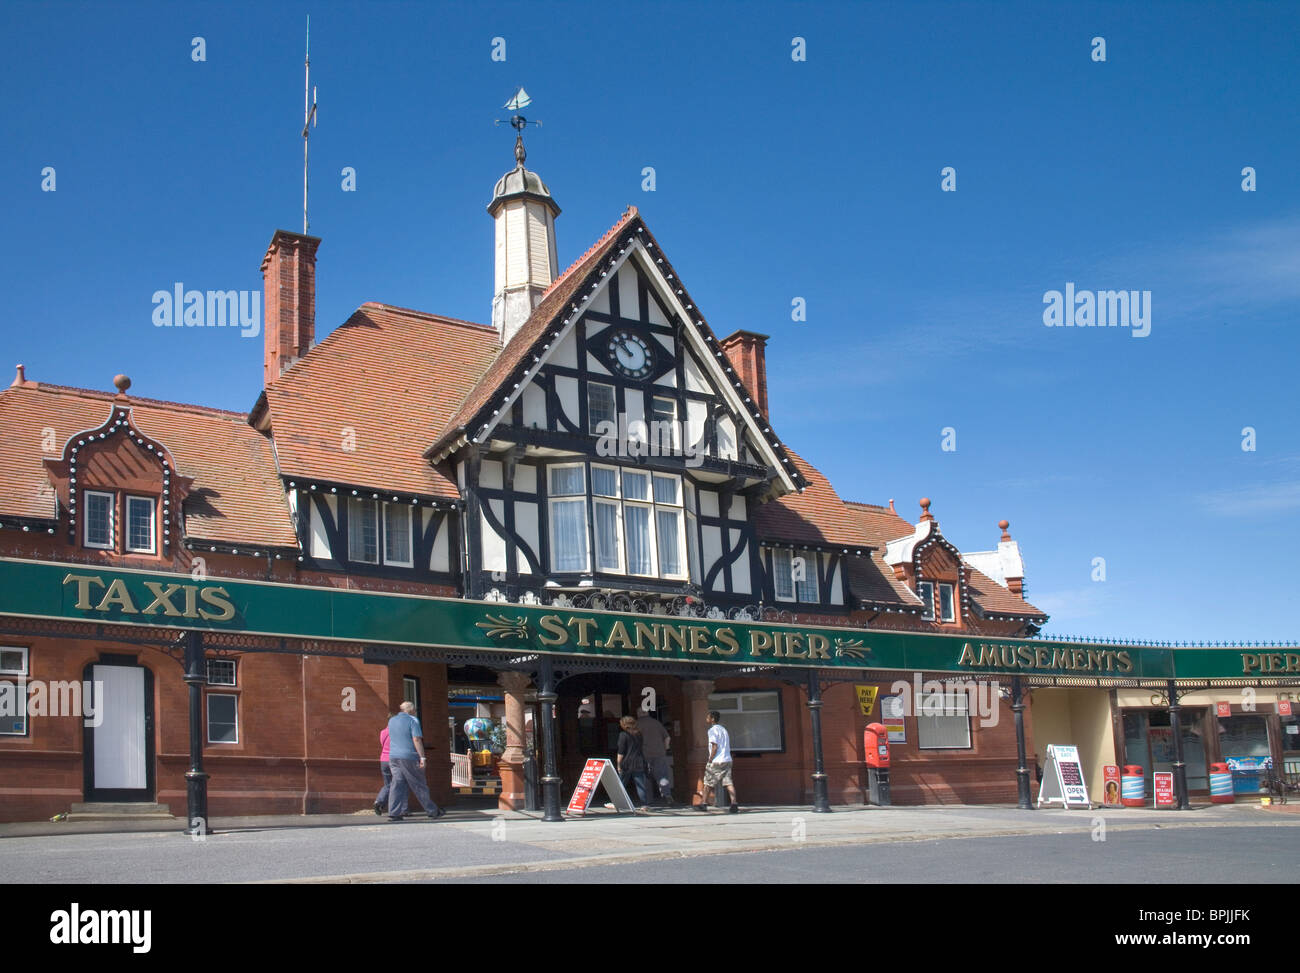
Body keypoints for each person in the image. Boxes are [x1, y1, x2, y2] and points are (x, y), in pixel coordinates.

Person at [386, 701, 445, 821]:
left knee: (396, 784)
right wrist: (422, 757)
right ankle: (432, 810)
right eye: (415, 710)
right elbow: (417, 739)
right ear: (412, 710)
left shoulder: (391, 721)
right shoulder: (413, 720)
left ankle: (393, 812)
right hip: (409, 756)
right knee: (418, 784)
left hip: (393, 756)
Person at [697, 710, 739, 813]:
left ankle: (703, 803)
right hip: (727, 759)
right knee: (729, 783)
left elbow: (714, 746)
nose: (706, 718)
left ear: (712, 719)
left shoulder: (712, 731)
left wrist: (710, 760)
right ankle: (734, 804)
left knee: (708, 783)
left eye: (708, 717)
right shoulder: (724, 730)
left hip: (717, 760)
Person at [637, 707, 673, 805]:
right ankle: (667, 794)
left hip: (645, 754)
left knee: (646, 777)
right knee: (662, 776)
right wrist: (665, 749)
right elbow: (667, 738)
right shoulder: (657, 723)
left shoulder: (637, 724)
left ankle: (648, 800)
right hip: (660, 754)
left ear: (639, 713)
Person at [616, 715, 651, 808]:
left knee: (621, 783)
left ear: (623, 724)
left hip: (627, 763)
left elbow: (621, 752)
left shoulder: (623, 735)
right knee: (640, 784)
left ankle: (617, 802)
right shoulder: (639, 734)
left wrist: (618, 764)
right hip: (639, 761)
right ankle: (645, 804)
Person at [373, 716, 393, 816]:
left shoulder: (383, 732)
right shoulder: (396, 733)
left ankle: (379, 802)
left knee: (388, 784)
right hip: (394, 759)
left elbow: (382, 744)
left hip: (383, 759)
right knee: (400, 784)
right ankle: (402, 809)